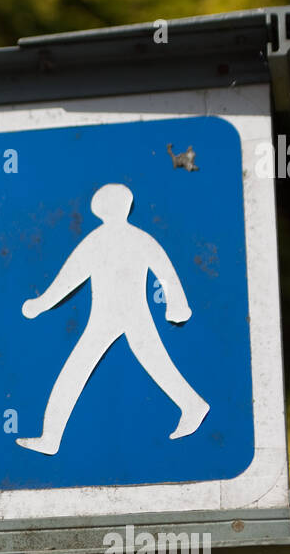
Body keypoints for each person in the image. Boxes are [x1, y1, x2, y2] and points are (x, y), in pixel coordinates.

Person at [17, 183, 209, 455]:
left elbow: (164, 272)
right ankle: (192, 405)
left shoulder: (112, 239)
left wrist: (177, 304)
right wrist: (41, 304)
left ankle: (50, 438)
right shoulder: (119, 239)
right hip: (110, 315)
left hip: (126, 314)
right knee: (149, 364)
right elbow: (69, 278)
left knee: (80, 369)